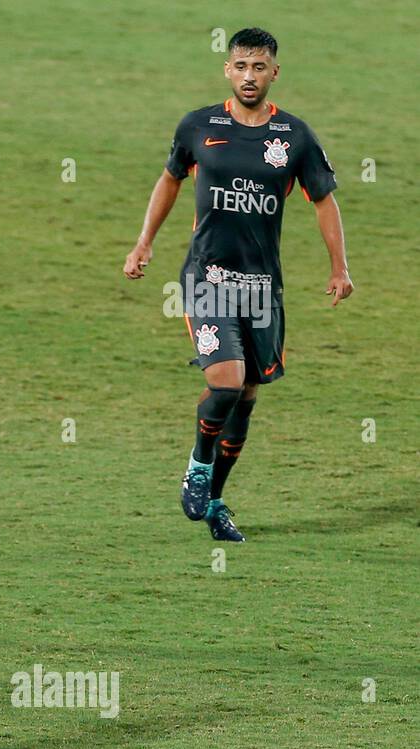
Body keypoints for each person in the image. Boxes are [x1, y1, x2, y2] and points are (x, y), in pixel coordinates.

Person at [123, 27, 352, 541]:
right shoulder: (198, 126)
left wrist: (340, 267)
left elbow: (323, 200)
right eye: (241, 66)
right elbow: (170, 178)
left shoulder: (295, 137)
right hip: (208, 277)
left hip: (262, 289)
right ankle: (198, 466)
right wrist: (144, 242)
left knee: (246, 396)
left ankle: (216, 501)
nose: (250, 76)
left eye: (259, 67)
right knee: (225, 380)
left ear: (274, 73)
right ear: (228, 69)